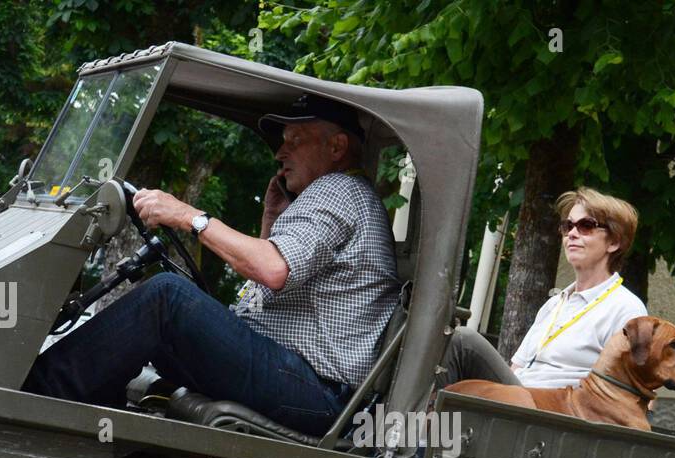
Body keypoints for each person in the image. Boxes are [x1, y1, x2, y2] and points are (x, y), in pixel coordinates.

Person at [24, 94, 399, 437]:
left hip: (316, 389)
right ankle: (86, 434)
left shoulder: (338, 190)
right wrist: (271, 221)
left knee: (167, 298)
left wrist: (189, 216)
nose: (280, 153)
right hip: (305, 382)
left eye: (294, 139)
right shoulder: (344, 195)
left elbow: (272, 270)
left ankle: (35, 395)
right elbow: (270, 280)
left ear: (337, 146)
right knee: (166, 310)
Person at [440, 187, 646, 389]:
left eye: (586, 226)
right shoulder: (554, 303)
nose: (572, 234)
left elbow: (639, 390)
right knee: (445, 342)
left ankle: (426, 419)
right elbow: (516, 369)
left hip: (554, 414)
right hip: (519, 400)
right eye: (568, 226)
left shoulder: (625, 309)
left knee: (463, 340)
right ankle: (427, 418)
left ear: (614, 242)